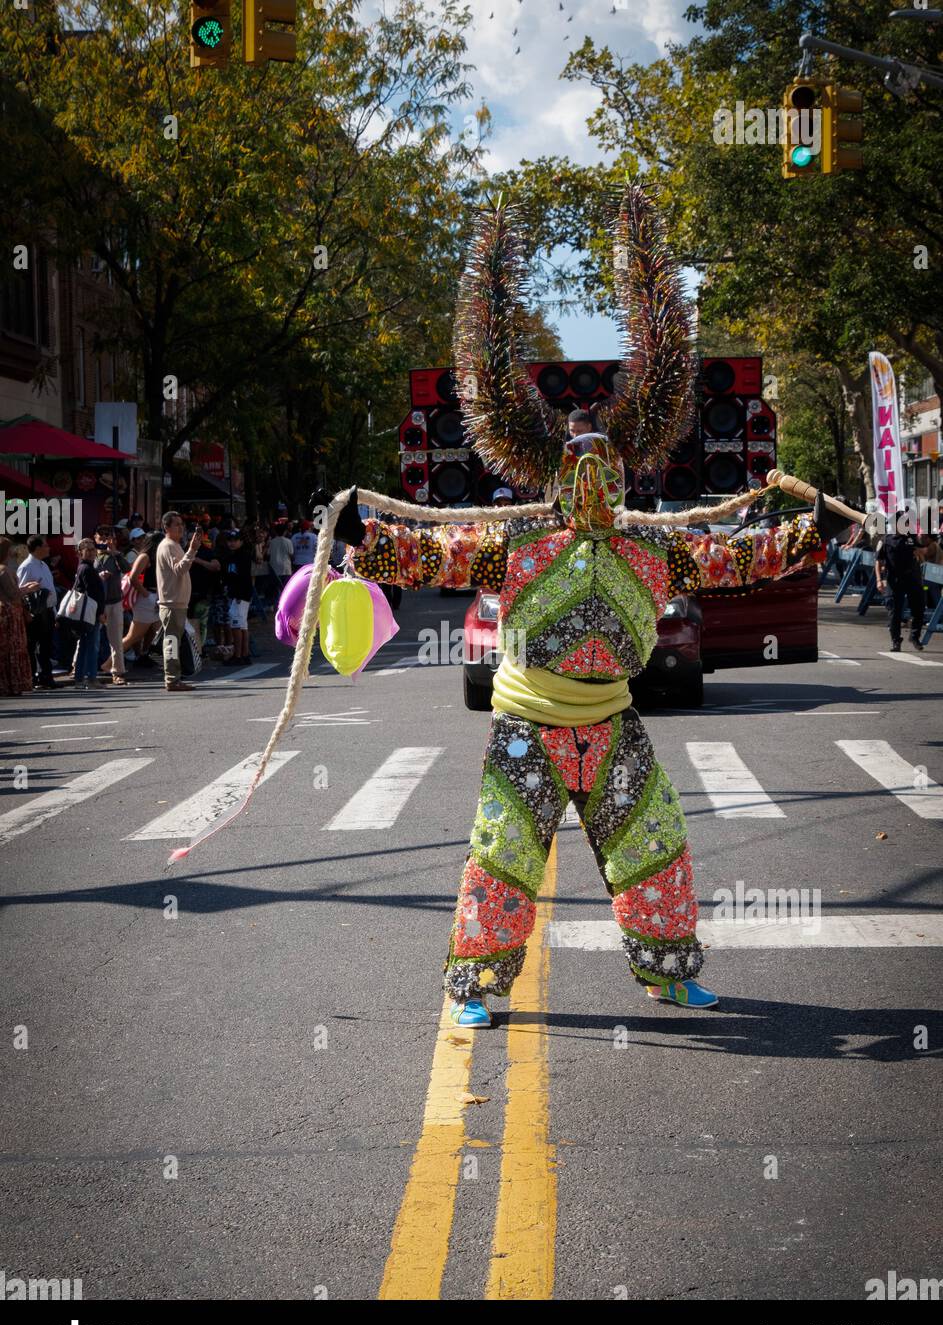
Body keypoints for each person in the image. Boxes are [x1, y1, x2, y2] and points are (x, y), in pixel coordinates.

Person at [278, 183, 850, 1029]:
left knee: (653, 844)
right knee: (502, 859)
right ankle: (474, 988)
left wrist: (809, 532)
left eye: (603, 464)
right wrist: (366, 535)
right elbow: (432, 552)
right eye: (576, 463)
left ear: (623, 475)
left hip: (612, 725)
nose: (591, 476)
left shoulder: (651, 548)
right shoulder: (517, 545)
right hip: (526, 730)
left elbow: (735, 558)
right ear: (553, 473)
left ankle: (667, 972)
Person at [156, 511, 202, 693]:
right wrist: (191, 550)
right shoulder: (168, 546)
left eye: (182, 524)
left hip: (177, 603)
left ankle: (174, 678)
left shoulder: (174, 545)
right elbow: (179, 569)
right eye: (177, 524)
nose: (181, 527)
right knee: (172, 642)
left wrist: (192, 549)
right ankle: (172, 679)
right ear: (167, 527)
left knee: (174, 641)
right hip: (172, 604)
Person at [874, 510, 931, 651]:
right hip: (895, 580)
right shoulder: (886, 540)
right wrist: (879, 580)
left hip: (912, 578)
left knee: (918, 608)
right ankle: (896, 641)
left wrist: (921, 551)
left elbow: (923, 549)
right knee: (895, 611)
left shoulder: (911, 538)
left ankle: (915, 637)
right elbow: (878, 562)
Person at [16, 534, 57, 688]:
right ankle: (33, 677)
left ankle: (46, 677)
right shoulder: (26, 566)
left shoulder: (43, 565)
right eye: (46, 545)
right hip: (35, 613)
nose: (48, 547)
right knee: (33, 646)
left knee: (46, 645)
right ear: (38, 548)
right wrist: (26, 613)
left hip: (47, 611)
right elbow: (20, 591)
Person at [94, 525, 130, 686]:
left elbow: (127, 569)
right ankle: (77, 668)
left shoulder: (116, 556)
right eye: (101, 536)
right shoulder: (90, 554)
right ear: (95, 537)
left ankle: (118, 672)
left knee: (116, 640)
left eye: (107, 536)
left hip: (114, 602)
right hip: (96, 604)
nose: (104, 539)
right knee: (87, 638)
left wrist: (115, 553)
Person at [71, 537, 108, 690]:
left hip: (87, 613)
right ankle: (91, 678)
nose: (93, 552)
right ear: (80, 552)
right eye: (88, 550)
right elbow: (93, 594)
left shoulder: (86, 568)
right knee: (92, 646)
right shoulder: (86, 568)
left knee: (86, 645)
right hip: (90, 613)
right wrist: (100, 613)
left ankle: (80, 679)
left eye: (94, 549)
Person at [122, 530, 162, 670]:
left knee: (157, 631)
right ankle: (111, 662)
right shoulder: (144, 556)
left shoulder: (155, 556)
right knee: (133, 636)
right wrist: (146, 594)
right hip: (146, 598)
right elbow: (133, 577)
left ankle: (144, 655)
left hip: (154, 597)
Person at [0, 537, 34, 696]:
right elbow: (13, 594)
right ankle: (12, 683)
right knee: (12, 648)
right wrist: (28, 589)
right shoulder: (4, 571)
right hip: (9, 612)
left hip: (5, 612)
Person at [221, 529, 253, 664]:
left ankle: (238, 656)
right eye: (230, 540)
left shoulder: (243, 556)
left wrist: (240, 594)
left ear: (241, 541)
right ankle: (244, 654)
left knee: (236, 625)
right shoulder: (230, 556)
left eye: (235, 540)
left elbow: (245, 577)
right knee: (242, 625)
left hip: (240, 595)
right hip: (235, 593)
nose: (232, 543)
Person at [187, 530, 221, 651]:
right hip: (186, 593)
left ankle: (199, 648)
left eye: (195, 538)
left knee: (201, 621)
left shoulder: (207, 551)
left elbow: (216, 566)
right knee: (188, 622)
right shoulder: (183, 550)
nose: (191, 541)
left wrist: (197, 560)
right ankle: (191, 648)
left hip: (203, 593)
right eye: (189, 538)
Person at [267, 523, 294, 596]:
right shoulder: (288, 541)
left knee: (275, 589)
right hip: (286, 568)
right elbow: (291, 554)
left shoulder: (272, 542)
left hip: (275, 568)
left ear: (275, 531)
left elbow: (268, 554)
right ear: (285, 531)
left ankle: (276, 604)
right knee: (285, 588)